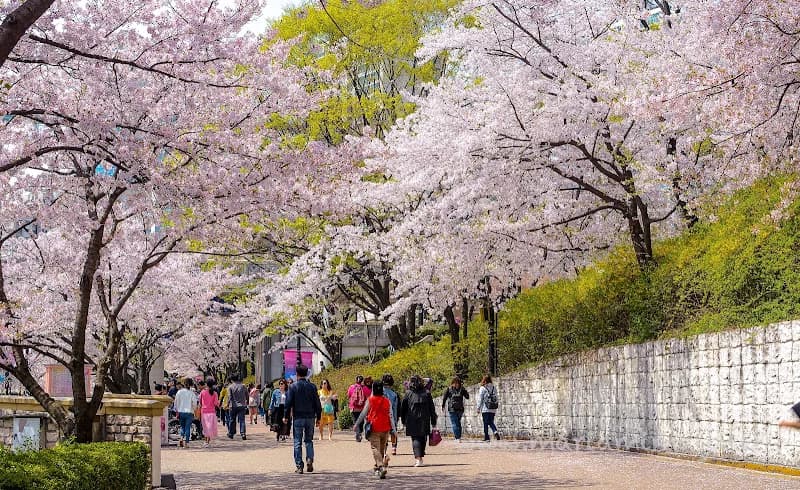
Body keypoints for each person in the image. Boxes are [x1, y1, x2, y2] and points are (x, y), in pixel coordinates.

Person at [284, 365, 322, 474]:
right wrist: (318, 417)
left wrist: (286, 417)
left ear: (297, 374)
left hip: (298, 417)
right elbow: (317, 404)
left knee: (297, 441)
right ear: (306, 374)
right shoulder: (312, 387)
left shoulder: (293, 387)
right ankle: (309, 459)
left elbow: (288, 403)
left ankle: (299, 465)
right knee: (309, 440)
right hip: (310, 417)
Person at [354, 381, 396, 480]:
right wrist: (394, 429)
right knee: (381, 449)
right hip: (385, 428)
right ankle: (377, 468)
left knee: (375, 448)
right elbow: (391, 416)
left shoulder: (370, 400)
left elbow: (363, 413)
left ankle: (381, 467)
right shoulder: (387, 401)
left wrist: (356, 424)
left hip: (374, 428)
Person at [399, 374, 437, 467]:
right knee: (423, 437)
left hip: (412, 419)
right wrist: (433, 421)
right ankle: (420, 456)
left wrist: (403, 420)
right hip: (425, 419)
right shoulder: (427, 392)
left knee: (415, 438)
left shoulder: (408, 393)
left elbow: (403, 408)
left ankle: (418, 458)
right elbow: (432, 408)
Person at [442, 376, 469, 442]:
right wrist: (464, 390)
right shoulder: (462, 389)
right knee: (458, 423)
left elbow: (444, 398)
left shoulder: (449, 389)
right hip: (460, 409)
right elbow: (467, 397)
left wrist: (442, 406)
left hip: (452, 409)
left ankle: (457, 438)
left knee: (455, 423)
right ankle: (458, 437)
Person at [174, 378, 197, 448]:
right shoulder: (192, 393)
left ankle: (181, 438)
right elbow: (194, 403)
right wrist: (194, 409)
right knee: (187, 427)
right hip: (189, 412)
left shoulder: (179, 392)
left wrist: (177, 410)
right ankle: (186, 443)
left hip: (181, 412)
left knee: (182, 427)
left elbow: (176, 402)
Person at [477, 374, 500, 441]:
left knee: (486, 423)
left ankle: (486, 437)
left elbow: (480, 399)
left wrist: (478, 408)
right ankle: (495, 432)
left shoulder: (482, 388)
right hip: (493, 408)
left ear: (484, 380)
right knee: (490, 422)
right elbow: (496, 397)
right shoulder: (494, 387)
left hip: (485, 408)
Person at [382, 373, 400, 455]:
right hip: (392, 416)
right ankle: (394, 447)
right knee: (393, 432)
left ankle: (384, 451)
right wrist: (396, 419)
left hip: (381, 417)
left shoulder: (379, 392)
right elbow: (395, 408)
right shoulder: (394, 394)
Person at [199, 378, 220, 448]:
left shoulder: (202, 392)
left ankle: (206, 441)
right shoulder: (215, 393)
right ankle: (208, 441)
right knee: (210, 427)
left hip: (204, 411)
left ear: (206, 384)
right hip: (212, 412)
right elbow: (216, 403)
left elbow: (200, 403)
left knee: (205, 427)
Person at [227, 374, 248, 440]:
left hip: (233, 405)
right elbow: (247, 395)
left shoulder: (230, 387)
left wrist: (228, 404)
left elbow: (230, 397)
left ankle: (231, 433)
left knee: (232, 420)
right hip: (242, 405)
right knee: (242, 420)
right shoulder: (243, 386)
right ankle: (243, 433)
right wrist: (246, 401)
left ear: (232, 379)